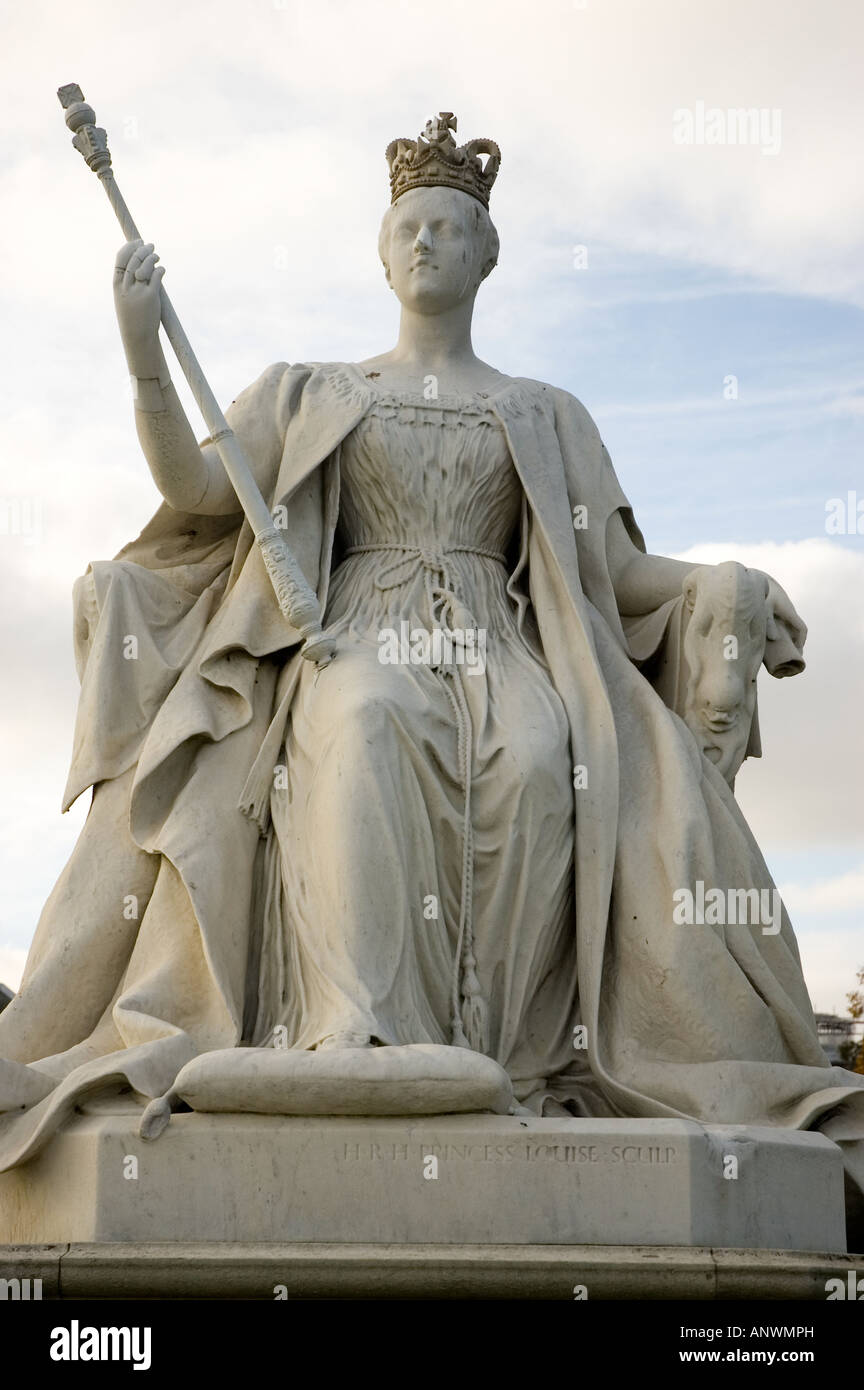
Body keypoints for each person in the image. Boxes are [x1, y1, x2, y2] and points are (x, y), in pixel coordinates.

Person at [1, 115, 862, 1228]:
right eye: (409, 225)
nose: (427, 243)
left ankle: (494, 1054)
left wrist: (727, 583)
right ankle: (356, 1033)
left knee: (546, 753)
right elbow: (202, 494)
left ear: (486, 256)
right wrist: (138, 350)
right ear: (381, 247)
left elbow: (617, 569)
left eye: (451, 227)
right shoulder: (310, 390)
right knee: (361, 721)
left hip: (500, 650)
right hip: (348, 633)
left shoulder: (547, 413)